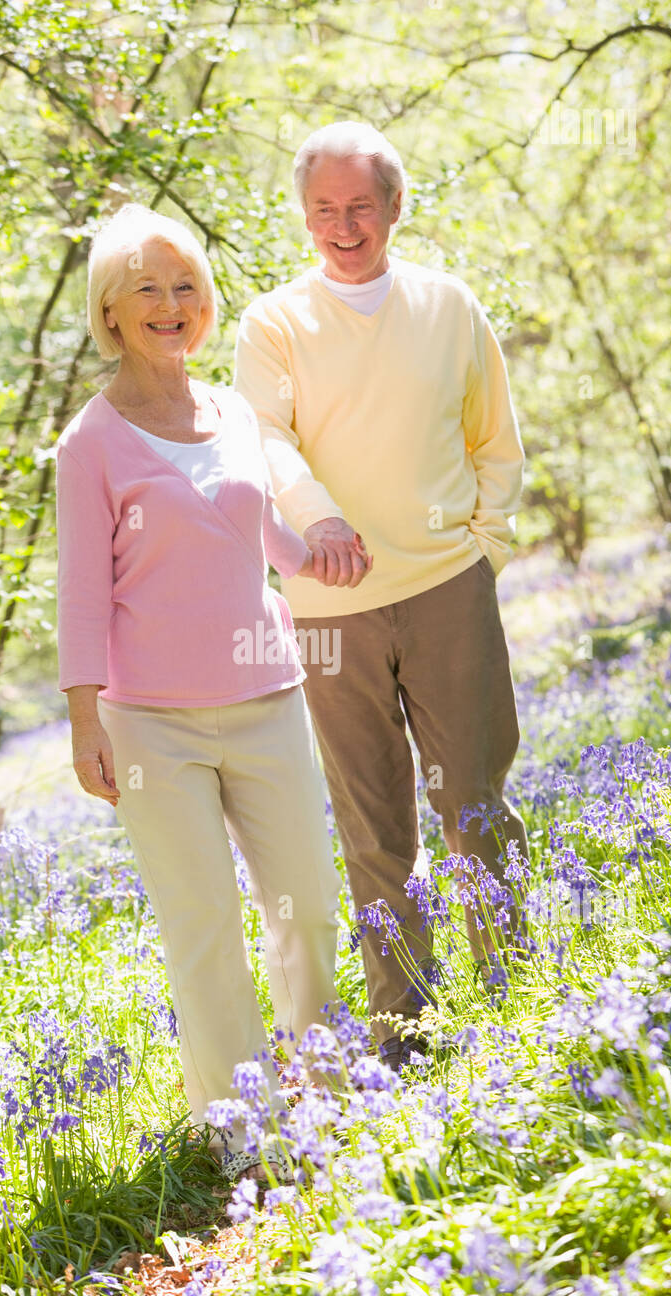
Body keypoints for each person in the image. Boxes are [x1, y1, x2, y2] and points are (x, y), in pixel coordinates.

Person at [55, 204, 368, 1182]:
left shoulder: (233, 411)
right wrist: (81, 720)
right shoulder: (88, 445)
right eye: (146, 287)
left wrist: (320, 550)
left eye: (184, 285)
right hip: (150, 728)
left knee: (307, 911)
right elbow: (80, 590)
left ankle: (323, 1107)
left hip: (267, 697)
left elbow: (258, 536)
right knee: (205, 933)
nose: (169, 304)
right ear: (109, 309)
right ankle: (247, 1142)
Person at [234, 121, 530, 1072]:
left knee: (473, 801)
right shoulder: (271, 323)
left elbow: (495, 439)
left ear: (397, 206)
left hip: (448, 588)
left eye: (361, 205)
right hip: (329, 611)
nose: (343, 225)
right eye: (323, 209)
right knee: (373, 828)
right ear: (303, 215)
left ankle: (519, 994)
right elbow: (265, 442)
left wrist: (481, 547)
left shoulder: (449, 305)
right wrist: (317, 522)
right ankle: (404, 1034)